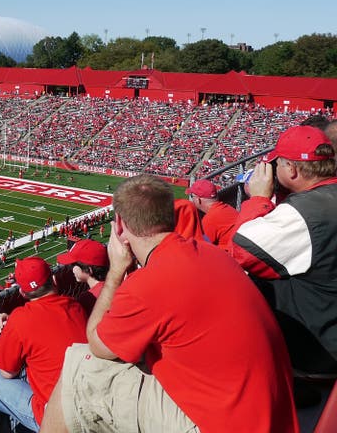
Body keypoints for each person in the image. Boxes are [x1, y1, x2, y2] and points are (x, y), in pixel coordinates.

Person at [41, 174, 298, 433]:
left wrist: (116, 270)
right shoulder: (210, 252)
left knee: (78, 365)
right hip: (266, 411)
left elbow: (98, 345)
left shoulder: (149, 284)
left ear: (119, 226)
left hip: (222, 422)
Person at [231, 125, 337, 373]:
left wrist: (258, 199)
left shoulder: (305, 212)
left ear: (291, 169)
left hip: (315, 352)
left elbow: (241, 252)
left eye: (276, 164)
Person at [0, 256, 88, 432]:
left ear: (23, 293)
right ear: (54, 280)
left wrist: (13, 326)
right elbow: (49, 325)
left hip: (55, 418)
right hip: (87, 405)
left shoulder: (20, 319)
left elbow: (7, 372)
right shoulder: (75, 306)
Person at [55, 238, 109, 317]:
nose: (72, 269)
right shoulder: (115, 283)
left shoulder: (87, 298)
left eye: (73, 265)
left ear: (89, 270)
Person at [185, 178, 238, 249]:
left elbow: (199, 247)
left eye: (192, 196)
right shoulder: (228, 208)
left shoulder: (210, 219)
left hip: (228, 256)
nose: (192, 199)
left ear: (198, 200)